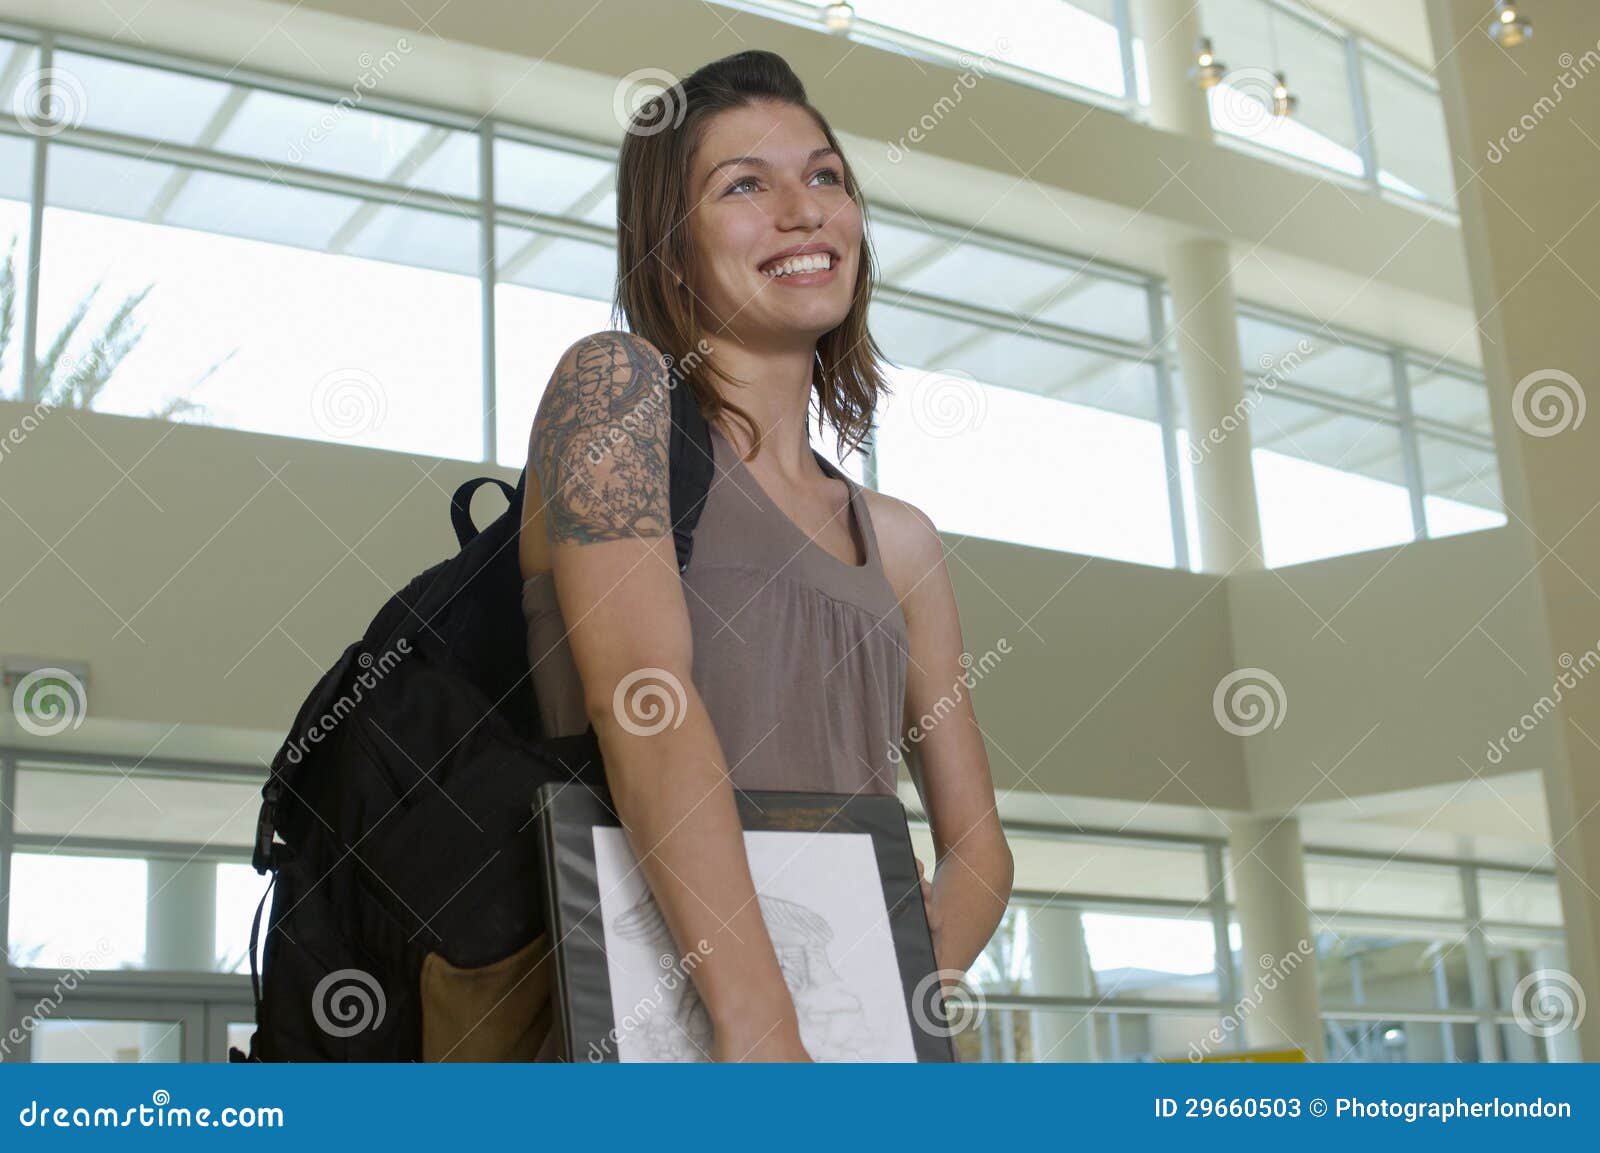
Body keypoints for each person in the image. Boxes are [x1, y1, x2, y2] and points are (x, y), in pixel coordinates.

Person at [519, 49, 1013, 1062]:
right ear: (670, 244)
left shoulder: (902, 540)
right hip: (648, 1038)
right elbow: (640, 701)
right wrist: (764, 1031)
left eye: (825, 175)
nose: (804, 209)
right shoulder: (611, 397)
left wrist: (879, 1011)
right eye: (745, 184)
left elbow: (978, 849)